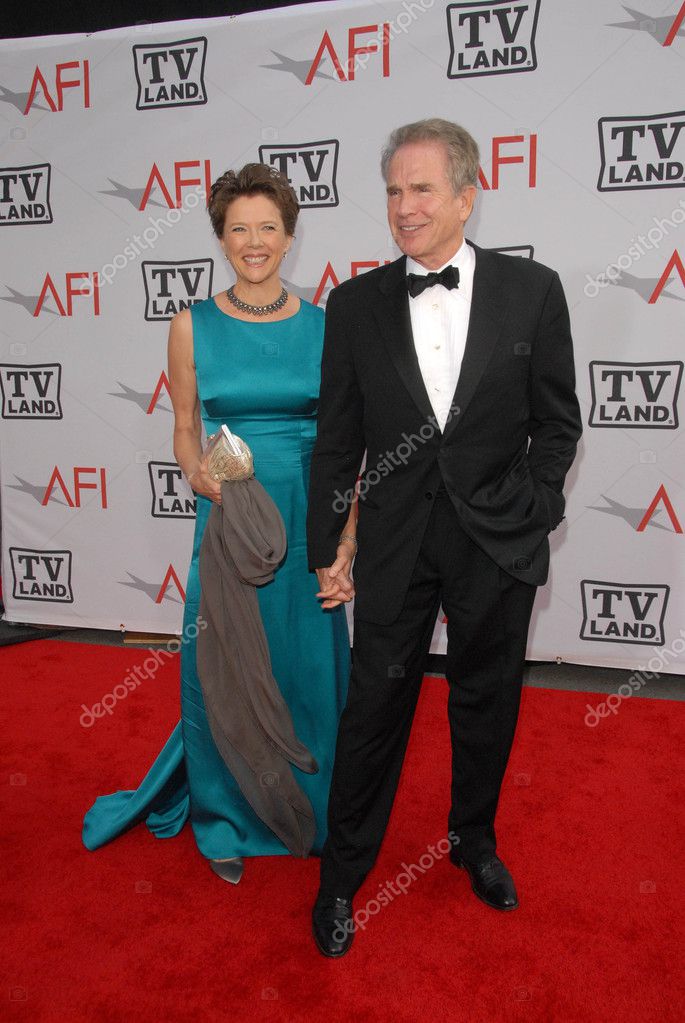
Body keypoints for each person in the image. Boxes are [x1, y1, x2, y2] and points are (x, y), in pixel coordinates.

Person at [306, 118, 582, 955]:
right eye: (392, 190)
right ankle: (342, 878)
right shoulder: (353, 305)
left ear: (466, 195)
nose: (403, 206)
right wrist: (329, 546)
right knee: (374, 707)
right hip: (393, 543)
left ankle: (474, 841)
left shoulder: (531, 290)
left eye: (421, 188)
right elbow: (338, 441)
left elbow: (557, 422)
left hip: (495, 539)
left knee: (485, 699)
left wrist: (532, 507)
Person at [83, 163, 354, 883]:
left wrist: (343, 537)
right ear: (221, 239)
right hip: (230, 515)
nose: (254, 241)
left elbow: (339, 441)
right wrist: (194, 472)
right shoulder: (189, 324)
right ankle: (226, 816)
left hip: (303, 517)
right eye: (239, 229)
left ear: (290, 236)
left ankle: (314, 809)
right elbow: (182, 428)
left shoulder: (327, 327)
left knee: (306, 662)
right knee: (226, 668)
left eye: (268, 227)